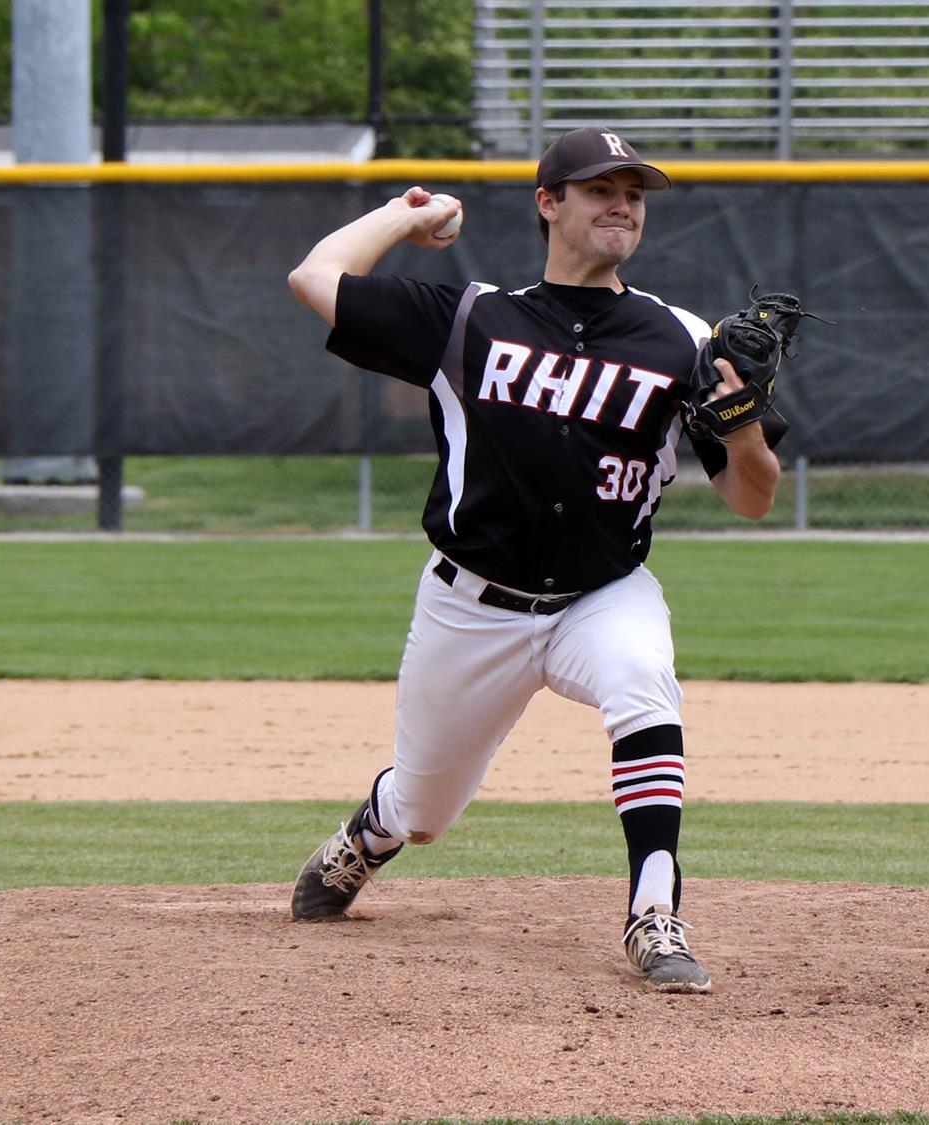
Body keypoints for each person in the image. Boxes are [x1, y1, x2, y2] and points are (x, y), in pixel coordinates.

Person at [282, 126, 787, 993]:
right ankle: (374, 828)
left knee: (643, 681)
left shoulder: (685, 341)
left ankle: (654, 912)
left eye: (634, 193)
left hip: (603, 590)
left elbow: (753, 497)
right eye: (601, 189)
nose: (623, 205)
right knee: (425, 808)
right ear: (548, 202)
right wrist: (408, 214)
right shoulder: (471, 318)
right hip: (471, 605)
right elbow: (314, 276)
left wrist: (742, 431)